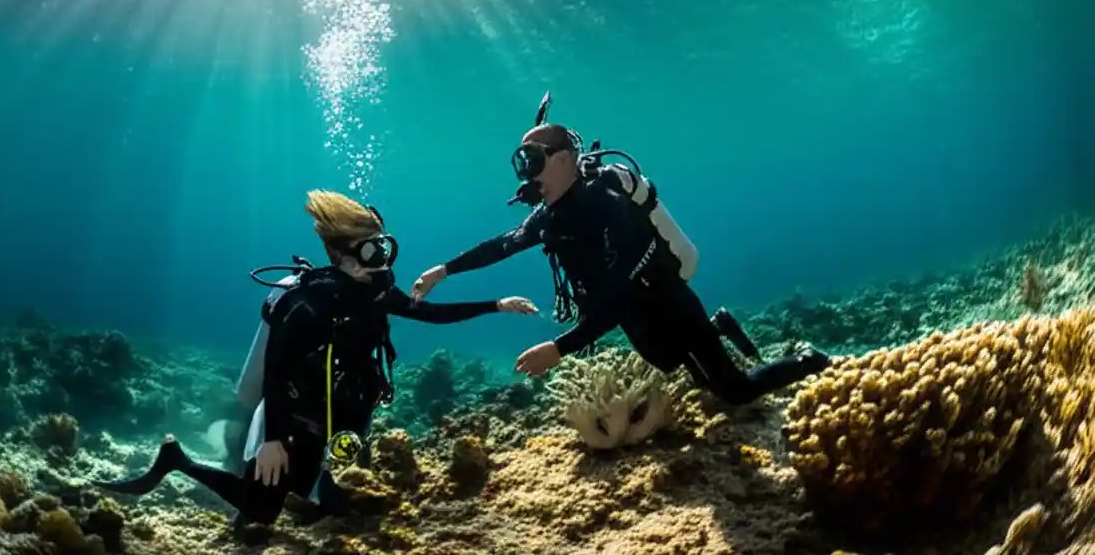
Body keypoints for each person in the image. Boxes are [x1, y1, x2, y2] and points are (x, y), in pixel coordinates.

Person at [96, 190, 537, 531]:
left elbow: (429, 313)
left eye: (384, 249)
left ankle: (313, 487)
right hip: (293, 415)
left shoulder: (375, 289)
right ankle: (177, 461)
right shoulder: (308, 304)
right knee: (262, 511)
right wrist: (271, 439)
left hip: (338, 410)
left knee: (316, 494)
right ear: (340, 254)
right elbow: (277, 368)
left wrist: (496, 304)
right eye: (369, 252)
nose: (381, 263)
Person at [410, 98, 829, 406]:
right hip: (632, 313)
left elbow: (615, 300)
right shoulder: (549, 216)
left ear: (562, 161)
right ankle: (715, 328)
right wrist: (442, 271)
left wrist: (558, 349)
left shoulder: (605, 204)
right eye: (522, 160)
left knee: (733, 391)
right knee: (675, 365)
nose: (525, 171)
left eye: (532, 159)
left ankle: (810, 359)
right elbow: (503, 245)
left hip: (662, 297)